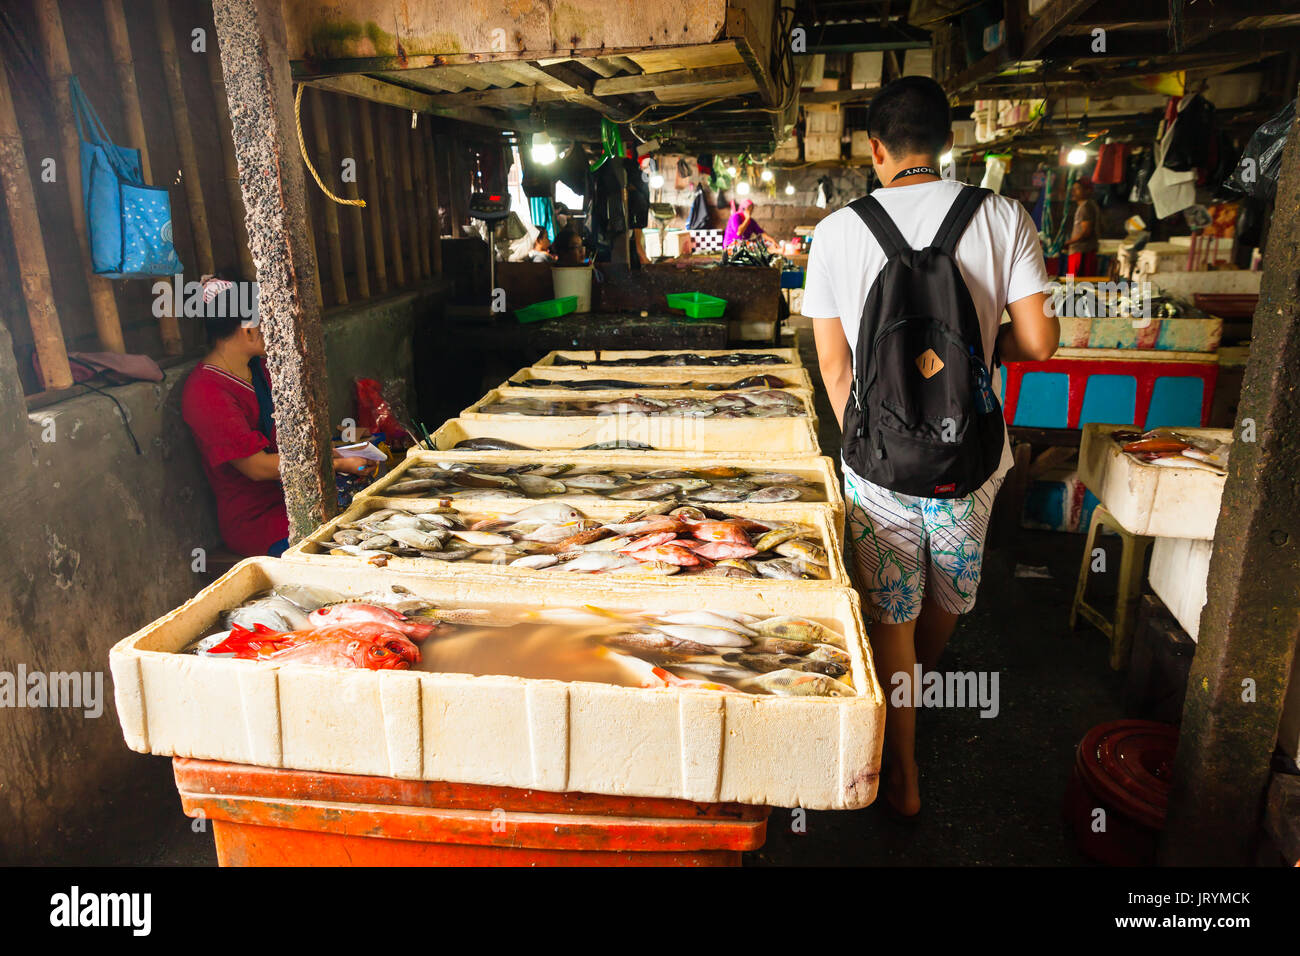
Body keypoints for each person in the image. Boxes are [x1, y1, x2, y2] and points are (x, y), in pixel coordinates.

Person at [802, 76, 1058, 818]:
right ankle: (916, 679)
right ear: (947, 146)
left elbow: (832, 364)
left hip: (877, 466)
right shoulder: (1002, 215)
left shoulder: (839, 231)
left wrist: (870, 439)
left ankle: (903, 775)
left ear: (875, 150)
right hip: (969, 459)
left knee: (892, 616)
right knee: (948, 598)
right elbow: (1040, 340)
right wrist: (978, 339)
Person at [181, 276, 376, 557]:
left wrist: (337, 451)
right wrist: (332, 463)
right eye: (269, 320)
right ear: (249, 330)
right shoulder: (205, 391)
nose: (276, 330)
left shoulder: (261, 368)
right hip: (259, 521)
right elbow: (257, 467)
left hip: (299, 496)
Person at [1066, 177, 1101, 276]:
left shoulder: (1086, 207)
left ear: (1088, 191)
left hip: (1082, 252)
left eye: (1077, 189)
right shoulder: (1087, 206)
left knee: (1078, 285)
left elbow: (1086, 232)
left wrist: (1068, 243)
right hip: (1082, 251)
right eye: (1073, 189)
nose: (1073, 192)